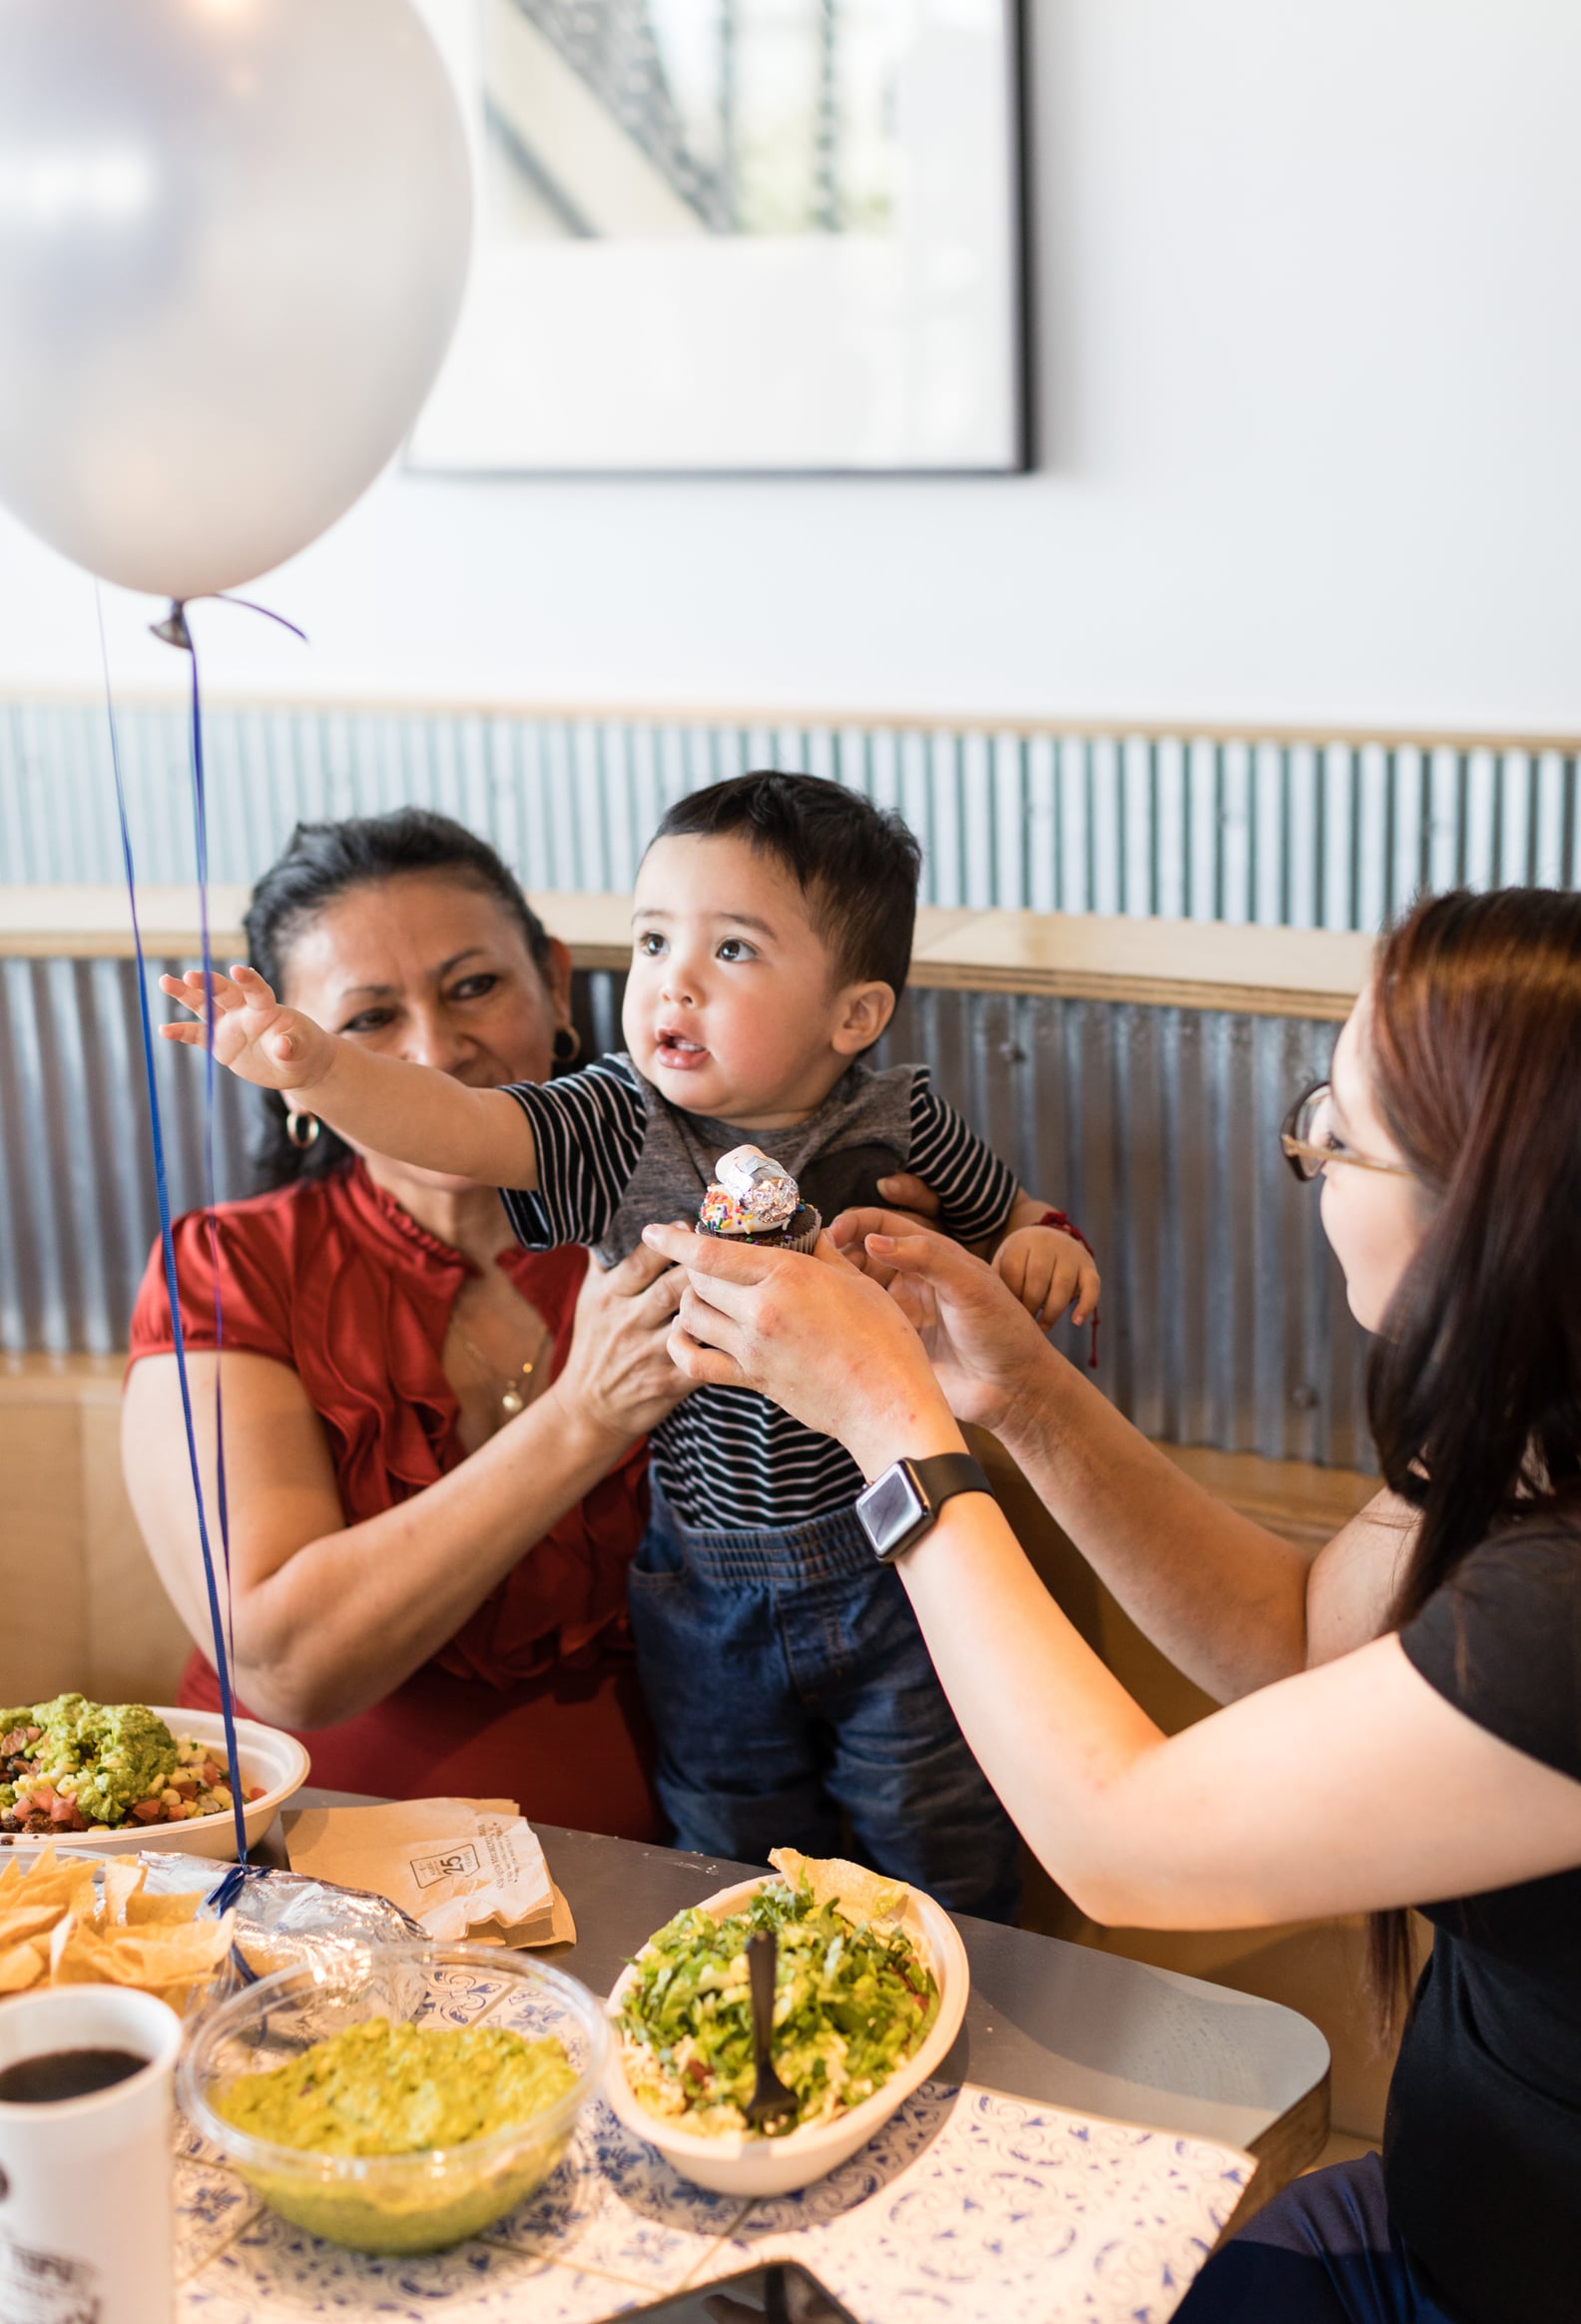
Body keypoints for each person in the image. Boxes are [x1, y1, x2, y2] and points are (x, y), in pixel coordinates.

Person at [640, 885, 1581, 2324]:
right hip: (1439, 2209)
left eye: (1339, 1134)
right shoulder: (1530, 1433)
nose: (1311, 1158)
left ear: (1500, 1207)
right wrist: (1017, 1391)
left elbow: (1123, 1843)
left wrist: (892, 1431)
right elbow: (1302, 1636)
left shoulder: (1563, 1610)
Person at [157, 772, 1101, 1922]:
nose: (433, 1051)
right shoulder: (610, 1134)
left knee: (940, 1838)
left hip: (874, 1574)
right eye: (654, 942)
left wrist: (1015, 1256)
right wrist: (312, 1065)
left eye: (733, 950)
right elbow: (457, 1120)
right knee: (740, 1862)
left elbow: (1006, 1225)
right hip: (670, 1636)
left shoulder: (889, 1129)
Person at [123, 808, 694, 1840]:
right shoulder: (230, 1267)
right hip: (303, 1867)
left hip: (674, 1869)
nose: (435, 1052)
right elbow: (286, 1664)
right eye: (368, 1021)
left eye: (474, 987)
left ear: (556, 984)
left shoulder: (676, 1229)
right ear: (285, 1061)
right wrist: (585, 1416)